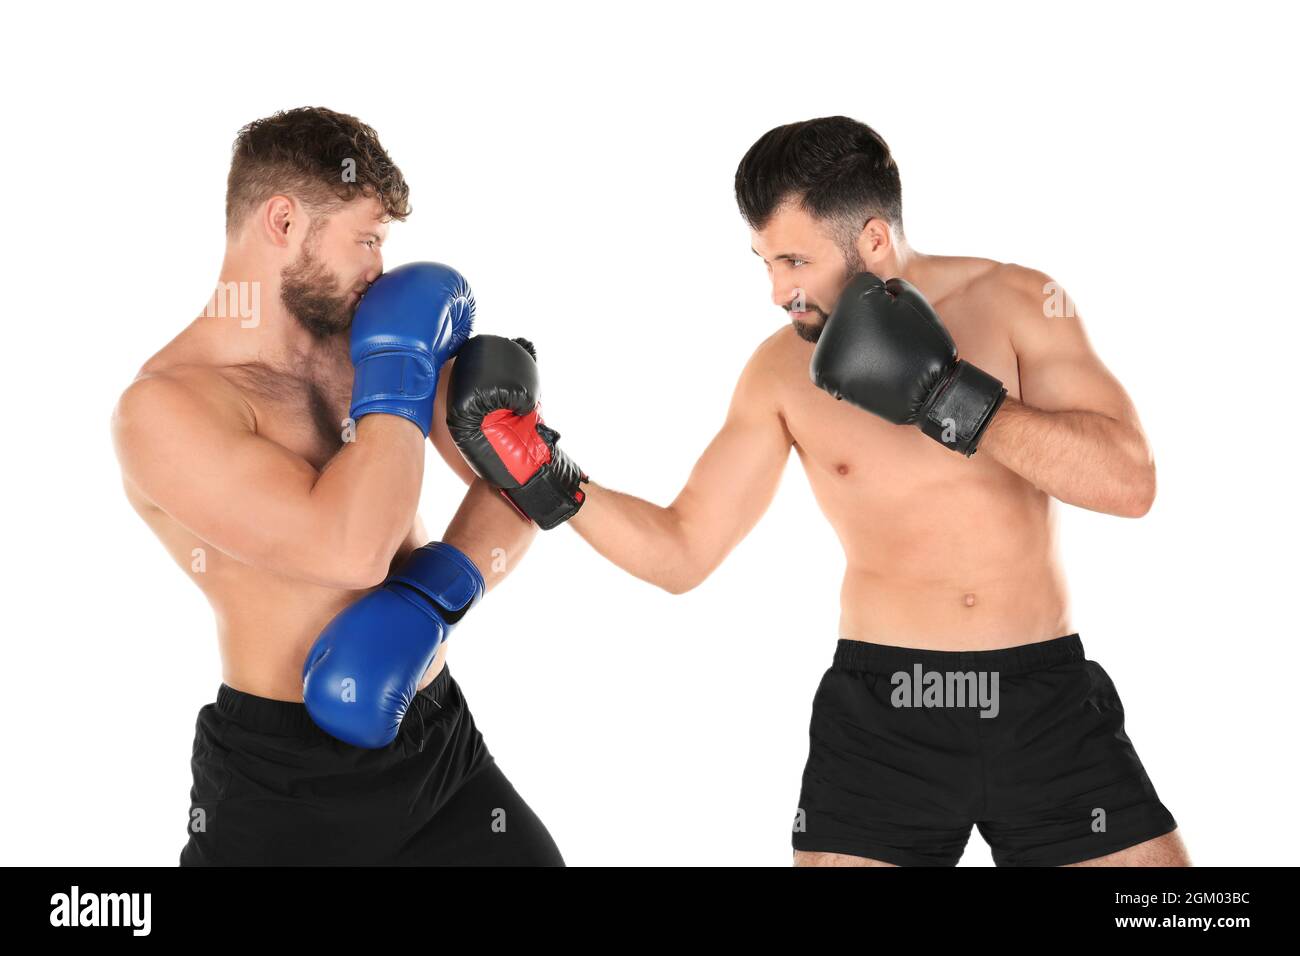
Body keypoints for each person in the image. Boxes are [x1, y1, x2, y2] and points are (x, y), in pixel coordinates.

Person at [446, 116, 1188, 867]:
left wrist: (950, 397)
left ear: (871, 240)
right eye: (765, 262)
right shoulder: (778, 373)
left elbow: (1129, 483)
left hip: (1044, 700)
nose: (776, 290)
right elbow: (682, 551)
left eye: (794, 260)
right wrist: (548, 475)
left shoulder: (1021, 301)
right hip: (884, 716)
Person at [111, 107, 562, 866]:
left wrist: (432, 602)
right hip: (284, 792)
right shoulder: (167, 408)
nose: (380, 270)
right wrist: (397, 376)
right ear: (282, 221)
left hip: (438, 746)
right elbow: (351, 550)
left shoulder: (367, 345)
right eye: (367, 240)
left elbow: (529, 484)